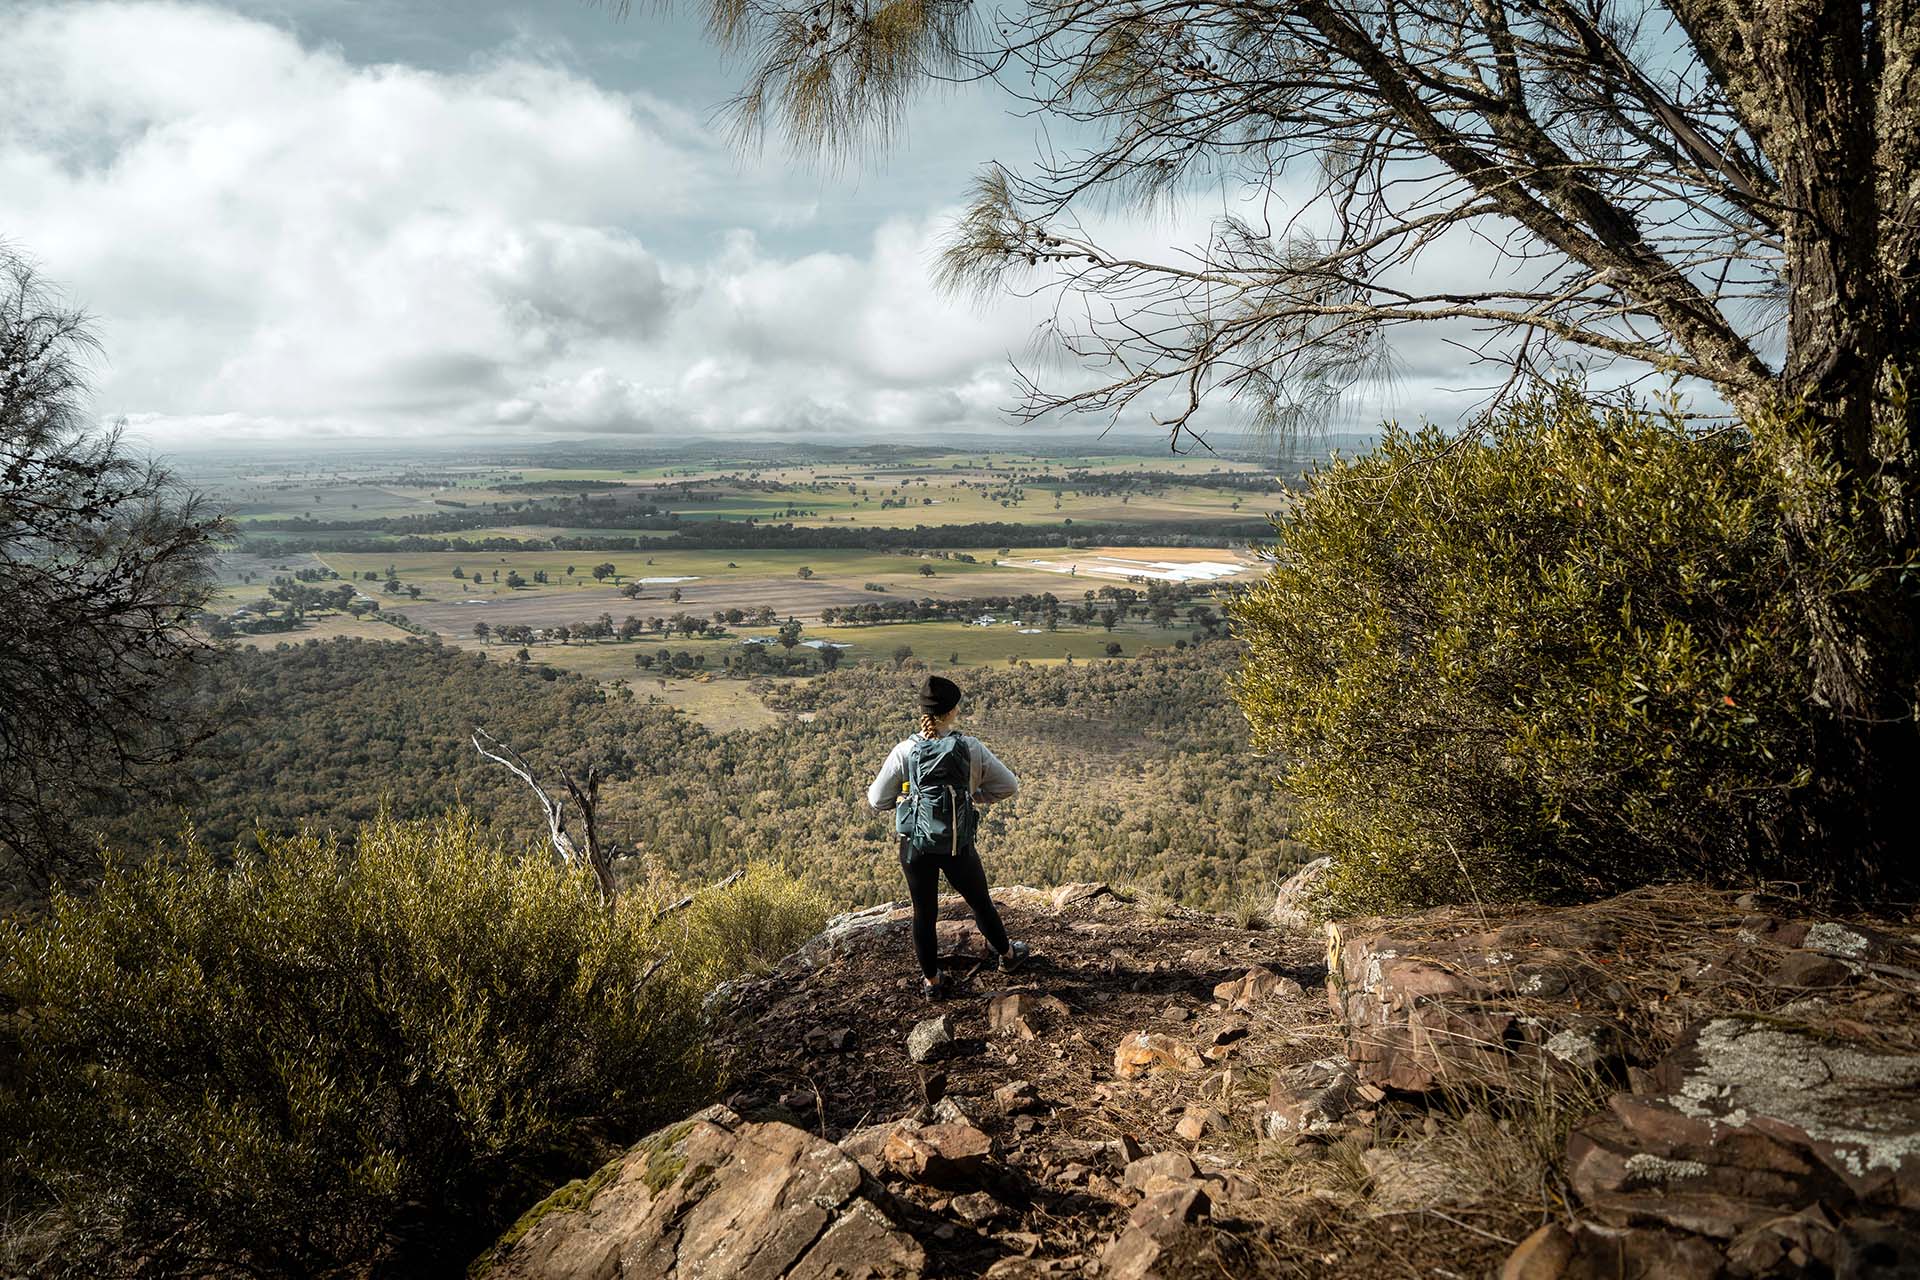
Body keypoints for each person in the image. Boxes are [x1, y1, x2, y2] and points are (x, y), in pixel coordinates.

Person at [867, 674, 1029, 999]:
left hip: (916, 845)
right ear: (953, 711)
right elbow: (1008, 786)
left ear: (922, 712)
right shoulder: (970, 748)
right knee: (980, 903)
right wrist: (971, 797)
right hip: (958, 844)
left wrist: (908, 799)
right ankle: (1008, 957)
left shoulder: (904, 751)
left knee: (924, 913)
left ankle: (932, 982)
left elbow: (877, 800)